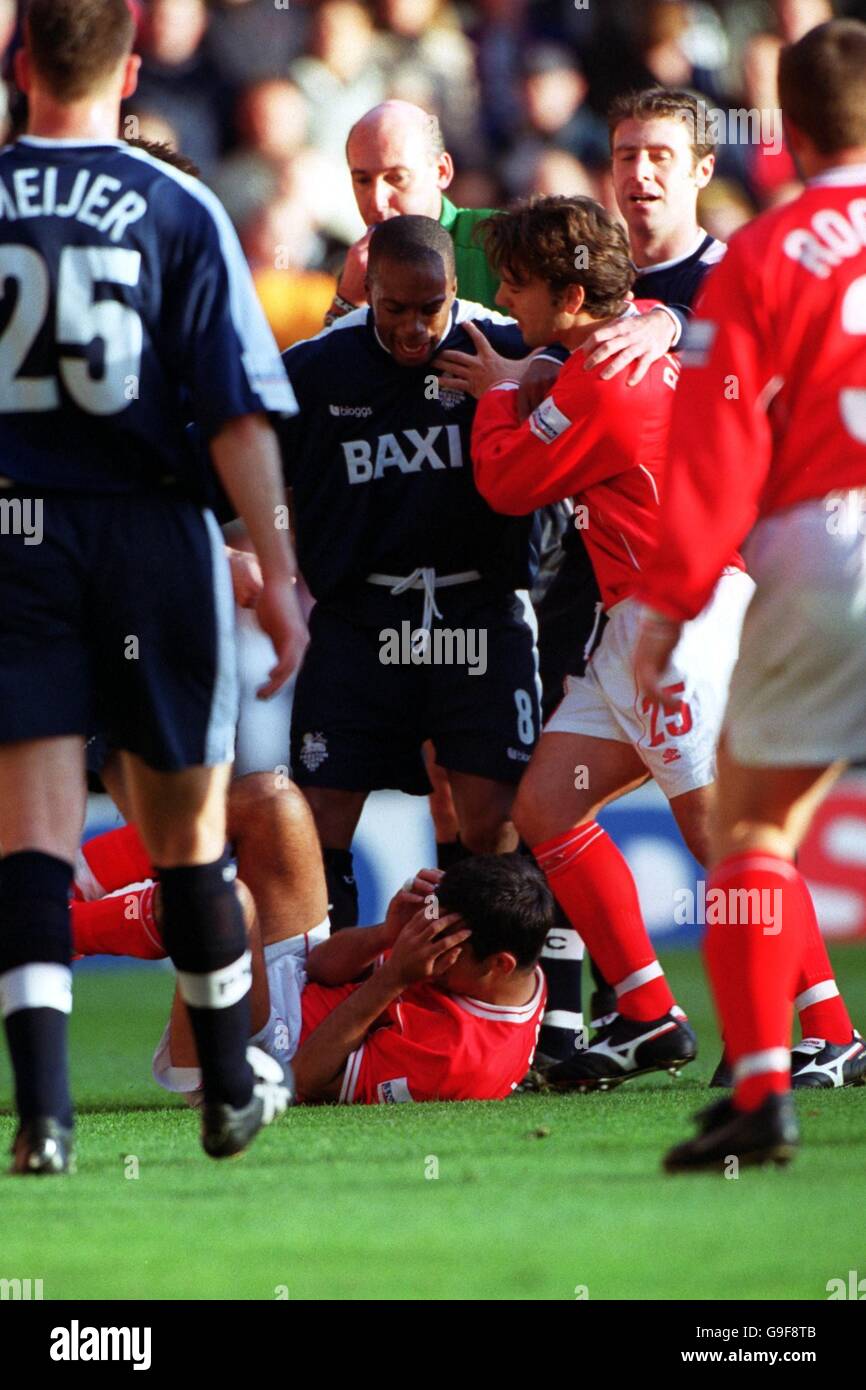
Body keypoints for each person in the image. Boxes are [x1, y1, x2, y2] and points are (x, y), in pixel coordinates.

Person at [0, 0, 306, 1174]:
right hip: (151, 538)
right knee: (185, 835)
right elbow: (233, 409)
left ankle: (45, 1117)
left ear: (22, 63)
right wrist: (279, 575)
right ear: (131, 73)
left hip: (16, 535)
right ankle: (228, 1081)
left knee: (29, 833)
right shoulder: (177, 205)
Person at [634, 19, 866, 1170]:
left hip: (823, 546)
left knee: (750, 825)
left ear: (787, 125)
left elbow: (713, 452)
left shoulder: (764, 256)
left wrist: (668, 606)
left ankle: (764, 1091)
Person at [470, 195, 756, 1091]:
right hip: (644, 616)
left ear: (567, 292)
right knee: (549, 806)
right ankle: (646, 1014)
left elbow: (509, 482)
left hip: (679, 619)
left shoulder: (607, 376)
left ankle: (827, 1029)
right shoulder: (627, 342)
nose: (508, 303)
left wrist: (499, 395)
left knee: (724, 839)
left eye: (516, 287)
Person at [277, 215, 542, 928]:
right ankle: (316, 1015)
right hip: (360, 623)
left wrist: (522, 378)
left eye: (432, 308)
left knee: (494, 823)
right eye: (394, 309)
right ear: (368, 293)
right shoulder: (315, 367)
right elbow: (231, 446)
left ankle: (493, 1014)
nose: (416, 329)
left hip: (478, 617)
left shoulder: (504, 344)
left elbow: (600, 376)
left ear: (456, 287)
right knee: (318, 819)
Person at [71, 813, 552, 1107]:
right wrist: (386, 935)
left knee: (214, 901)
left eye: (447, 946)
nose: (432, 943)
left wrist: (392, 980)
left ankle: (44, 932)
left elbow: (301, 1079)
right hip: (297, 985)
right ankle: (66, 892)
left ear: (500, 965)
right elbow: (322, 965)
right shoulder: (485, 951)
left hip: (252, 1055)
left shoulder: (459, 1062)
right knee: (271, 801)